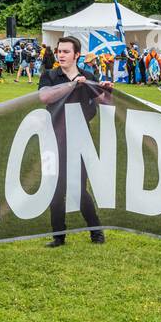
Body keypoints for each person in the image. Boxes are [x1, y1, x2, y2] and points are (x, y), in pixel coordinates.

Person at [38, 36, 112, 247]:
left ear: (77, 55)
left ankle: (96, 232)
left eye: (66, 52)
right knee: (55, 188)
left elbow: (104, 102)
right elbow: (44, 97)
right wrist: (72, 85)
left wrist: (105, 89)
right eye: (59, 51)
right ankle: (58, 236)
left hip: (80, 138)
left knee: (78, 188)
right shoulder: (50, 75)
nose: (61, 55)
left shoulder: (88, 75)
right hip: (54, 137)